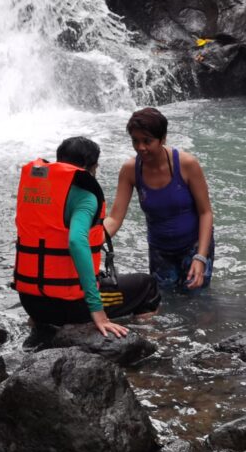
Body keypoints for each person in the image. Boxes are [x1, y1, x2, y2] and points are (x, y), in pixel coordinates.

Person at [13, 136, 161, 338]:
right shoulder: (85, 196)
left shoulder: (37, 190)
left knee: (102, 275)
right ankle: (149, 341)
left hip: (30, 302)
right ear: (89, 167)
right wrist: (97, 311)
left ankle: (40, 328)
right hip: (69, 306)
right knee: (147, 285)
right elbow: (76, 241)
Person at [103, 107, 214, 294]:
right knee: (163, 301)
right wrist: (88, 241)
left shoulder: (187, 164)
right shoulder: (130, 170)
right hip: (160, 251)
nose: (140, 148)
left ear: (162, 139)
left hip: (194, 246)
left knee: (197, 300)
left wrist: (201, 257)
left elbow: (206, 213)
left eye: (147, 141)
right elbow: (114, 218)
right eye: (135, 141)